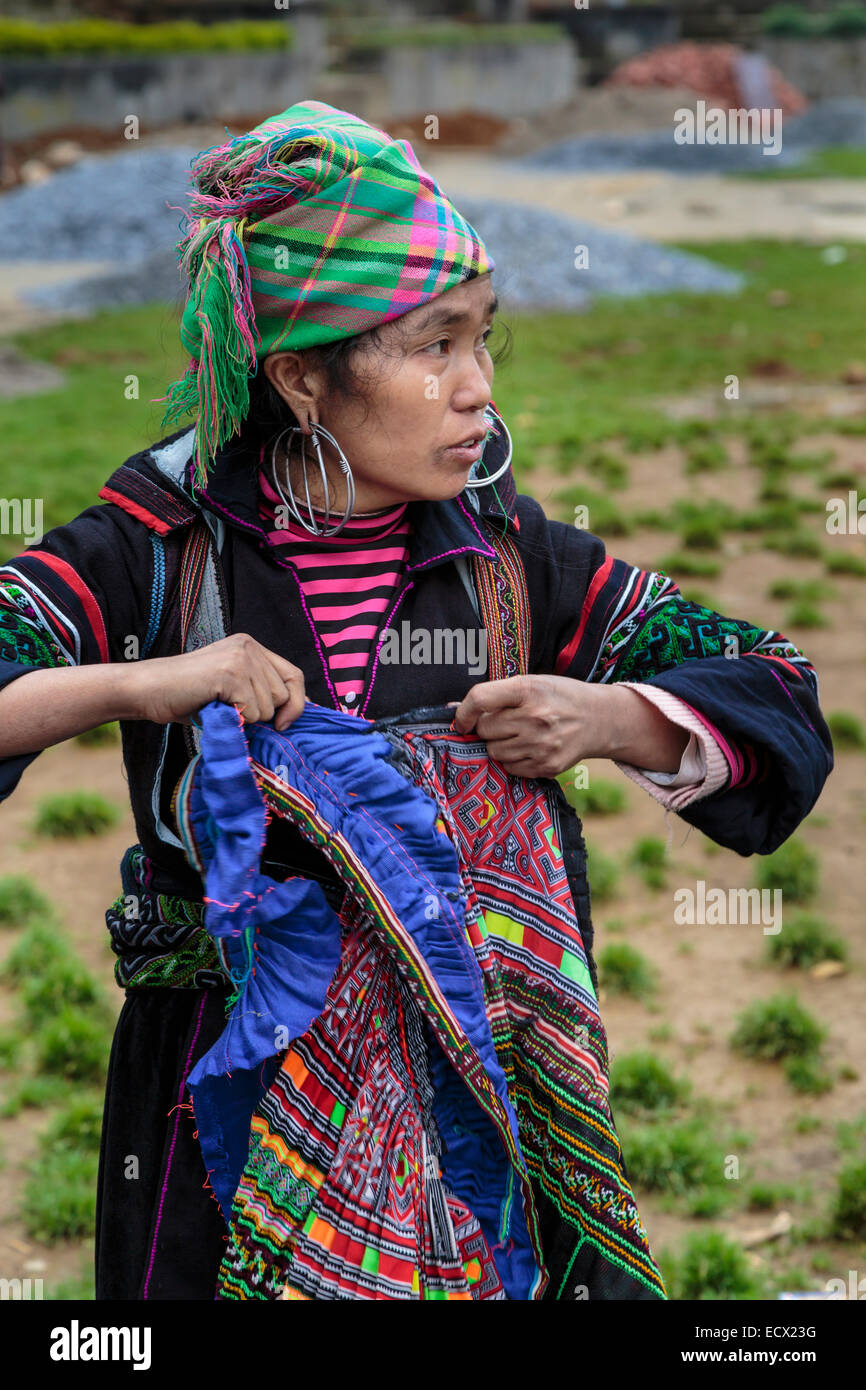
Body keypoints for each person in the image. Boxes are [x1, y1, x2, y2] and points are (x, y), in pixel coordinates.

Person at [0, 100, 833, 1301]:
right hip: (227, 1092)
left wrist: (605, 719)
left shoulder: (504, 554)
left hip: (476, 1080)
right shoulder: (157, 544)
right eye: (432, 347)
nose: (477, 389)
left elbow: (771, 681)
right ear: (300, 376)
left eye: (483, 341)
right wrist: (154, 680)